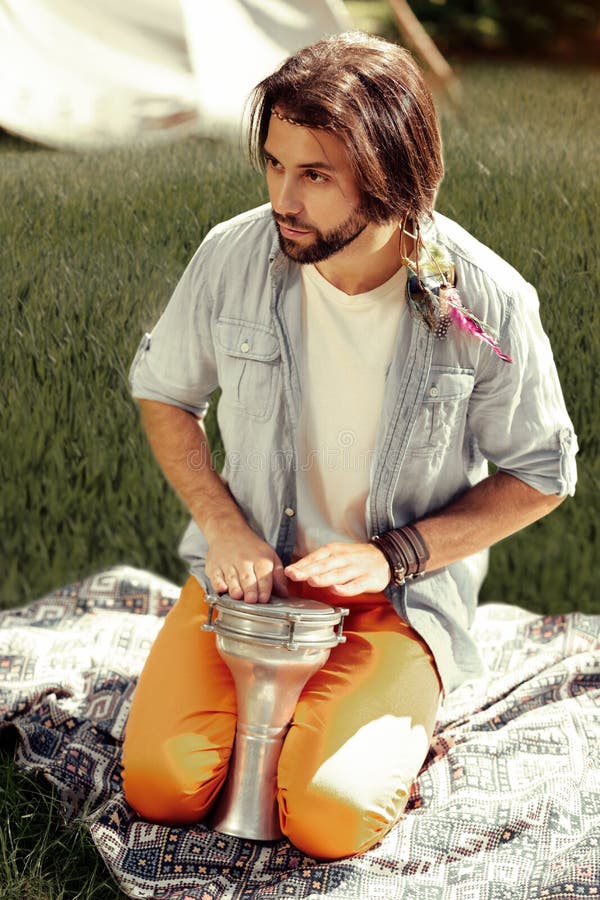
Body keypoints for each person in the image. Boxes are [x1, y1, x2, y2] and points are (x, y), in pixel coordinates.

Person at [121, 32, 577, 859]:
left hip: (395, 603)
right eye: (273, 165)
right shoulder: (233, 255)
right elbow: (163, 391)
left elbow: (542, 472)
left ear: (391, 177)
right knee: (160, 785)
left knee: (327, 817)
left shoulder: (490, 299)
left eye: (315, 175)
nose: (282, 199)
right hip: (248, 587)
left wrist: (396, 555)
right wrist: (226, 530)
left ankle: (394, 697)